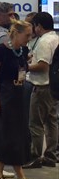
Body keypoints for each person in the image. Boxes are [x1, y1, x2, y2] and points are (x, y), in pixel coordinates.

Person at [0, 20, 34, 179]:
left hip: (19, 93)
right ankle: (20, 175)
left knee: (18, 133)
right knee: (8, 133)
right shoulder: (1, 50)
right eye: (27, 35)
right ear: (16, 33)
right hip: (5, 94)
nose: (29, 38)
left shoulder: (23, 51)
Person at [25, 12, 58, 168]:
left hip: (42, 86)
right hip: (53, 86)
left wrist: (25, 67)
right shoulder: (56, 38)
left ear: (38, 26)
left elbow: (43, 65)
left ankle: (36, 156)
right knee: (52, 121)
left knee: (36, 123)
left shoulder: (44, 41)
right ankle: (51, 155)